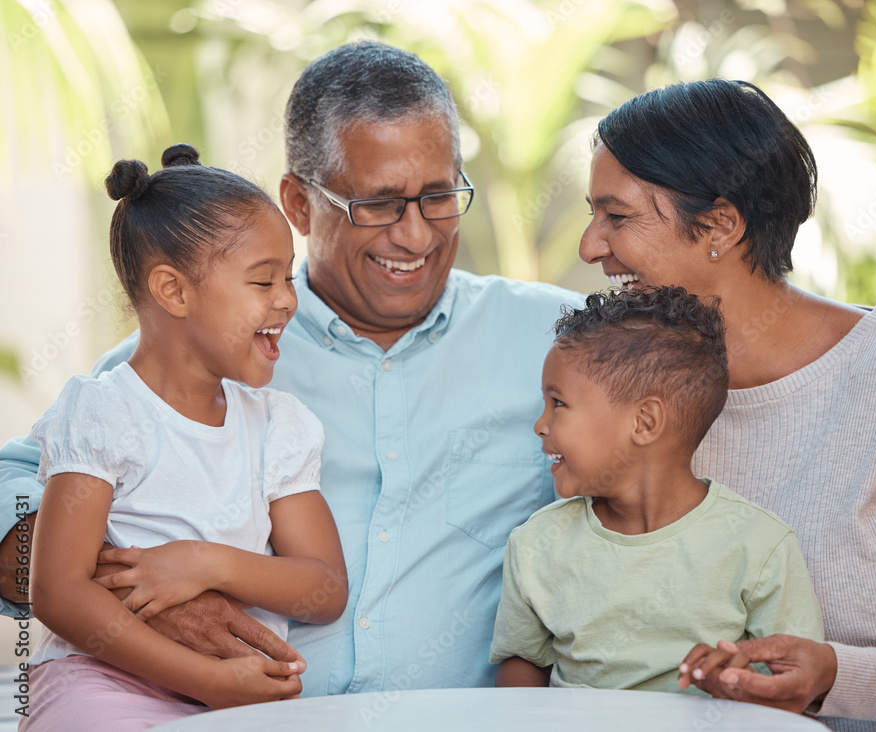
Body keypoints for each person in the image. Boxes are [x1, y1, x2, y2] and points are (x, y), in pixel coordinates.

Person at [0, 41, 580, 697]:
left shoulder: (560, 341)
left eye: (438, 196)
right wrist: (126, 595)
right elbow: (17, 489)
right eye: (380, 204)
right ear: (299, 204)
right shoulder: (203, 349)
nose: (416, 236)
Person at [579, 79, 876, 730]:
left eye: (617, 217)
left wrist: (834, 676)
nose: (589, 246)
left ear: (720, 225)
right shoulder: (613, 394)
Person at [21, 145, 348, 730]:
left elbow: (323, 588)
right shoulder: (103, 412)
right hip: (103, 682)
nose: (287, 300)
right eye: (261, 280)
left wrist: (205, 562)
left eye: (287, 278)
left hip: (240, 690)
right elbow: (58, 590)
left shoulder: (277, 426)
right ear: (174, 291)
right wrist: (204, 680)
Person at [489, 286, 824, 693]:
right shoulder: (536, 543)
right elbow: (522, 658)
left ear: (645, 422)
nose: (540, 424)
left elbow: (792, 683)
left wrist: (735, 683)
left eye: (557, 403)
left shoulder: (759, 546)